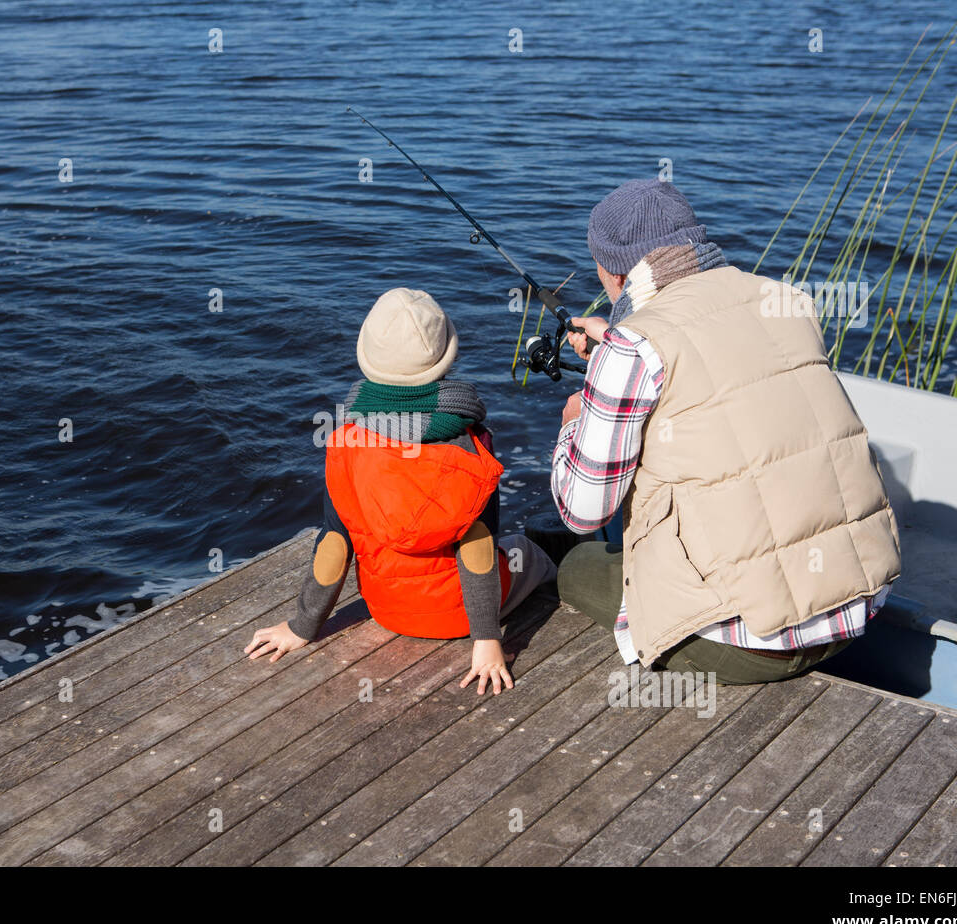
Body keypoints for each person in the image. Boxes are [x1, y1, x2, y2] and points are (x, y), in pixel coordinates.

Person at [552, 179, 901, 684]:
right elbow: (717, 352)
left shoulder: (629, 351)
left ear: (614, 271)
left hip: (751, 645)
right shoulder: (787, 300)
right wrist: (615, 336)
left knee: (575, 566)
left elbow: (583, 513)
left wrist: (573, 426)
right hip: (857, 610)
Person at [246, 287, 556, 695]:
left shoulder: (344, 444)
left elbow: (335, 543)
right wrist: (487, 642)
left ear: (368, 359)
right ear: (448, 355)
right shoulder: (472, 443)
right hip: (460, 617)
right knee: (528, 550)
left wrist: (301, 627)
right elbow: (478, 544)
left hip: (386, 609)